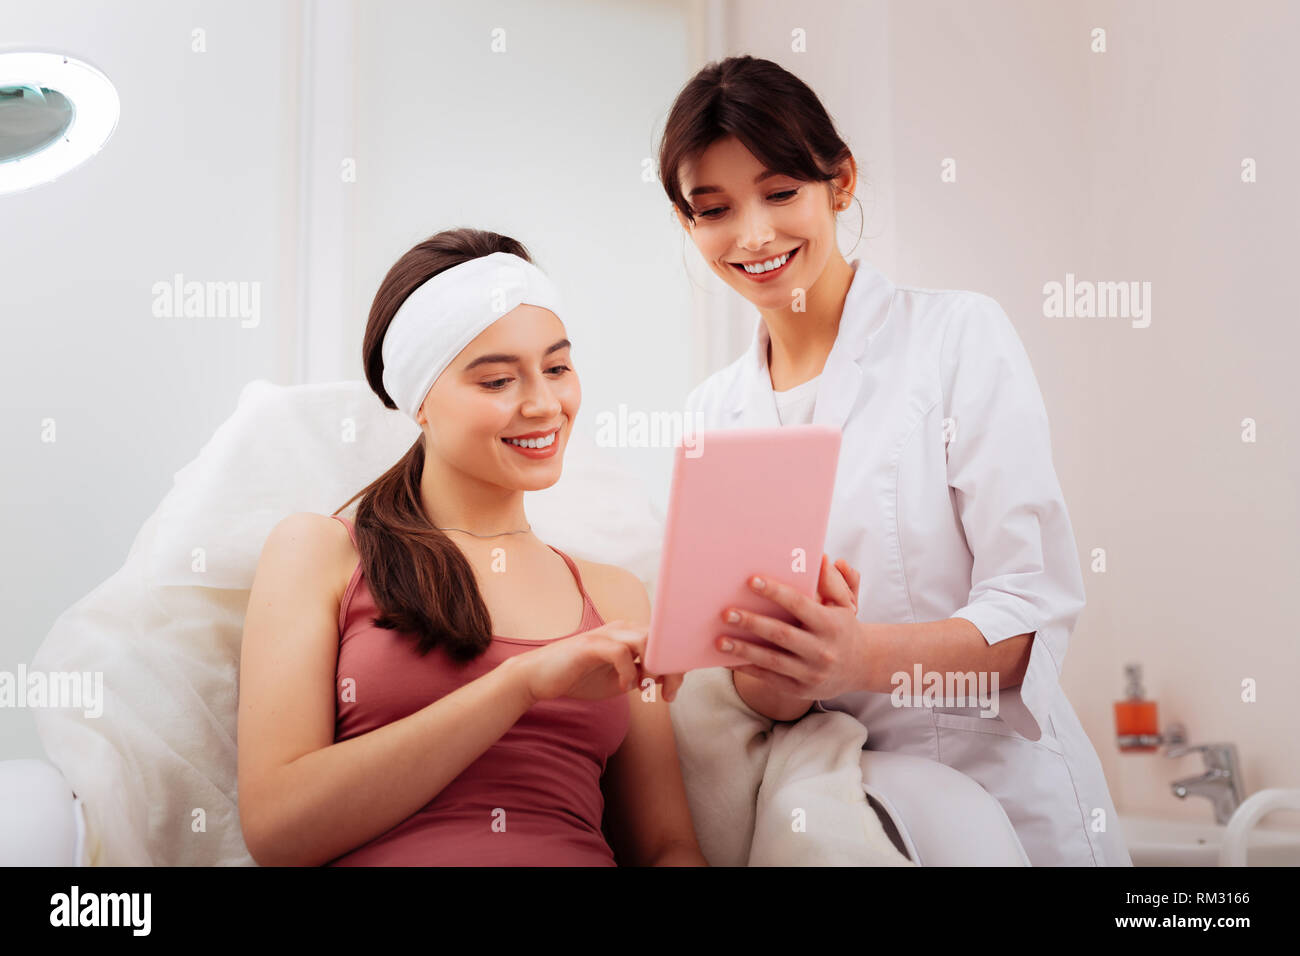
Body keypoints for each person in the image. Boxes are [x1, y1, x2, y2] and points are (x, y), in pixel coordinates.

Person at [659, 55, 1131, 866]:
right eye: (716, 209)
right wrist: (777, 675)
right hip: (844, 808)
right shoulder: (713, 412)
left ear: (839, 183)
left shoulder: (955, 339)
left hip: (1003, 798)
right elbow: (730, 671)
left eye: (781, 193)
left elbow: (1031, 612)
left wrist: (859, 656)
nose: (754, 235)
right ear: (688, 223)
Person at [236, 228, 706, 867]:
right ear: (421, 400)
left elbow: (665, 847)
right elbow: (277, 833)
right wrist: (520, 685)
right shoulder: (322, 552)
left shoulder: (615, 594)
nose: (544, 404)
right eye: (496, 382)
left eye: (557, 368)